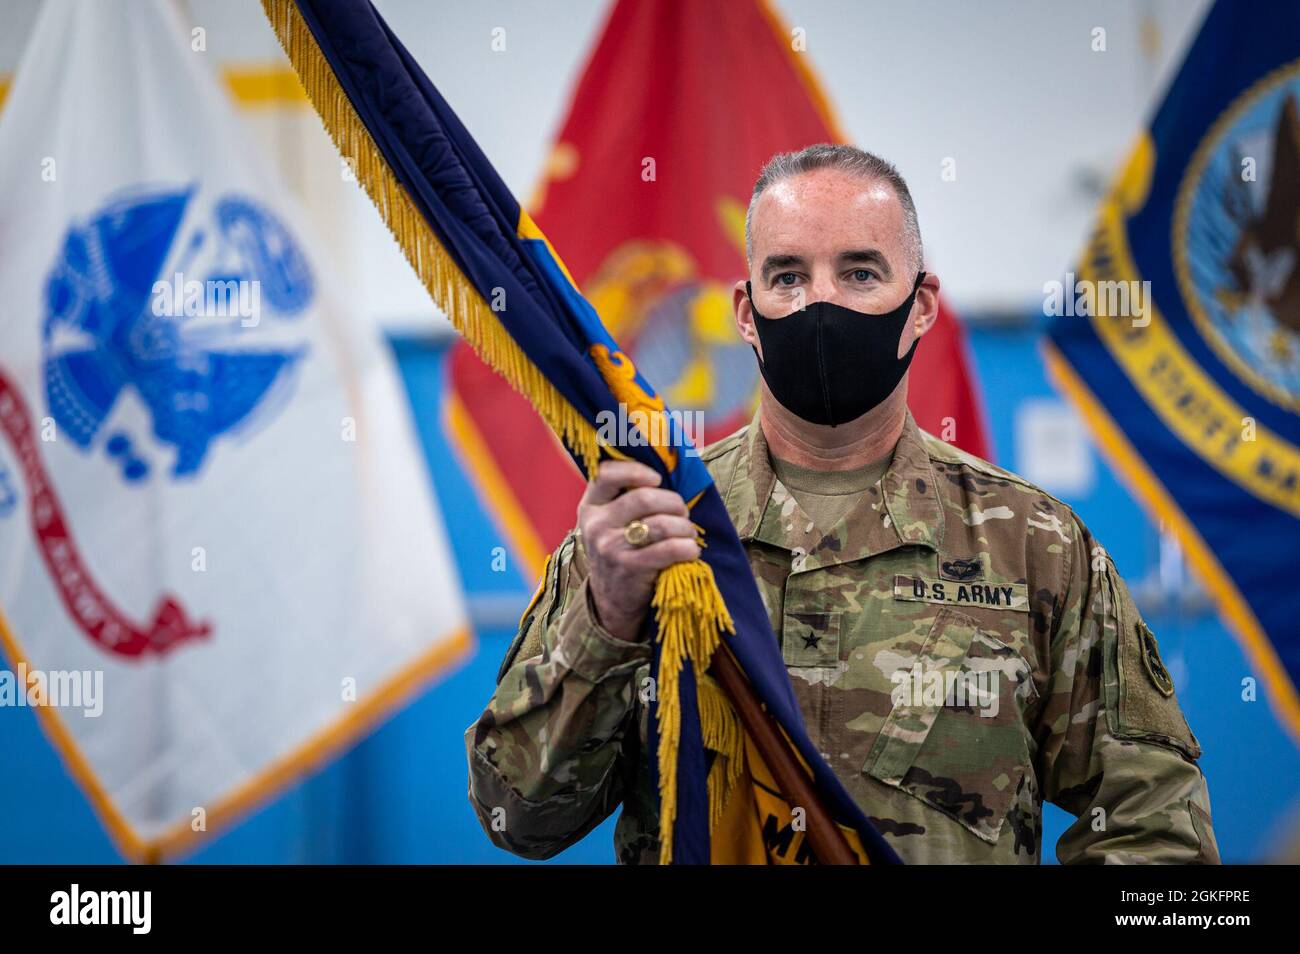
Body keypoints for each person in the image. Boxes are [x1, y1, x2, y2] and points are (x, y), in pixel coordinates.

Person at [465, 144, 1220, 864]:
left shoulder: (1035, 546)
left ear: (921, 305)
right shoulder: (650, 533)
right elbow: (517, 816)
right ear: (745, 312)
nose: (819, 300)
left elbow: (1152, 827)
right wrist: (606, 619)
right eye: (787, 276)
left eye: (859, 273)